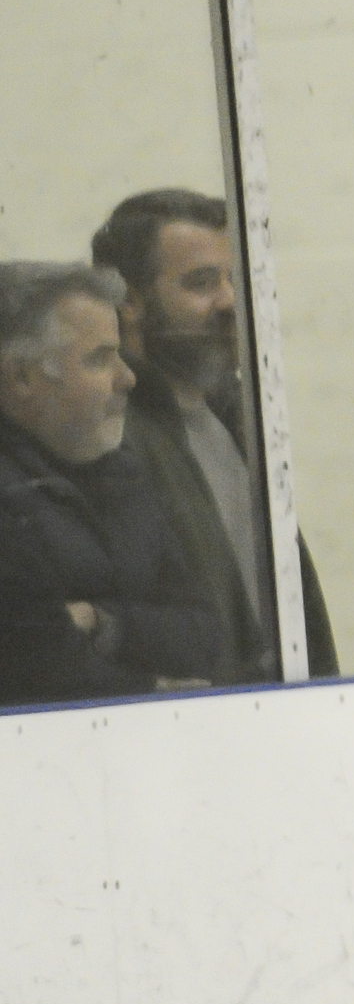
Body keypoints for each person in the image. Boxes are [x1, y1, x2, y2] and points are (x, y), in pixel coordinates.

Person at [90, 189, 339, 680]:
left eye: (234, 280)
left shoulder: (236, 413)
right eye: (201, 283)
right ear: (129, 300)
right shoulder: (105, 434)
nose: (229, 302)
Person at [0, 262, 222, 703]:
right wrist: (150, 688)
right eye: (99, 358)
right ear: (21, 377)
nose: (128, 377)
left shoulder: (127, 476)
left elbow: (205, 634)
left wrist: (103, 623)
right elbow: (35, 659)